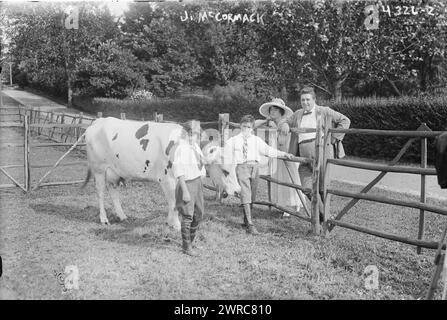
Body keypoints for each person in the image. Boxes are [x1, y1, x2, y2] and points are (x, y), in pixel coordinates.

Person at [281, 87, 351, 223]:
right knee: (307, 188)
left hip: (322, 153)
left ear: (314, 100)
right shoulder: (297, 114)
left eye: (308, 99)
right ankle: (326, 216)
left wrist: (333, 138)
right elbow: (284, 121)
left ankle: (320, 223)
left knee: (321, 189)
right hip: (303, 156)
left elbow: (345, 121)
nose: (305, 102)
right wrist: (284, 125)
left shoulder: (324, 111)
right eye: (303, 100)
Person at [223, 115, 294, 234]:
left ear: (253, 128)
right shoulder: (233, 141)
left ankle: (246, 220)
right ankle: (250, 224)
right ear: (240, 126)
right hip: (241, 167)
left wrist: (284, 154)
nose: (246, 129)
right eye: (244, 126)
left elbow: (268, 150)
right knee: (245, 193)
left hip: (255, 168)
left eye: (249, 127)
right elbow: (226, 157)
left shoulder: (256, 140)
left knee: (252, 195)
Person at [255, 98, 304, 217]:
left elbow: (286, 141)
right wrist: (265, 120)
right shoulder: (270, 123)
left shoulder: (285, 123)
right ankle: (284, 205)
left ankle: (295, 204)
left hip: (287, 153)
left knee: (291, 177)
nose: (272, 112)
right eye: (271, 110)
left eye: (276, 110)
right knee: (280, 179)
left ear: (281, 112)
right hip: (277, 156)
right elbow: (253, 124)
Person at [172, 120, 206, 256]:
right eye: (190, 134)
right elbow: (179, 171)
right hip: (187, 183)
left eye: (196, 135)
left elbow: (199, 163)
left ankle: (191, 242)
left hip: (197, 182)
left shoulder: (196, 147)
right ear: (185, 134)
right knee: (188, 215)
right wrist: (185, 191)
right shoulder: (181, 149)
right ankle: (186, 246)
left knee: (199, 213)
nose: (193, 137)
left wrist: (204, 161)